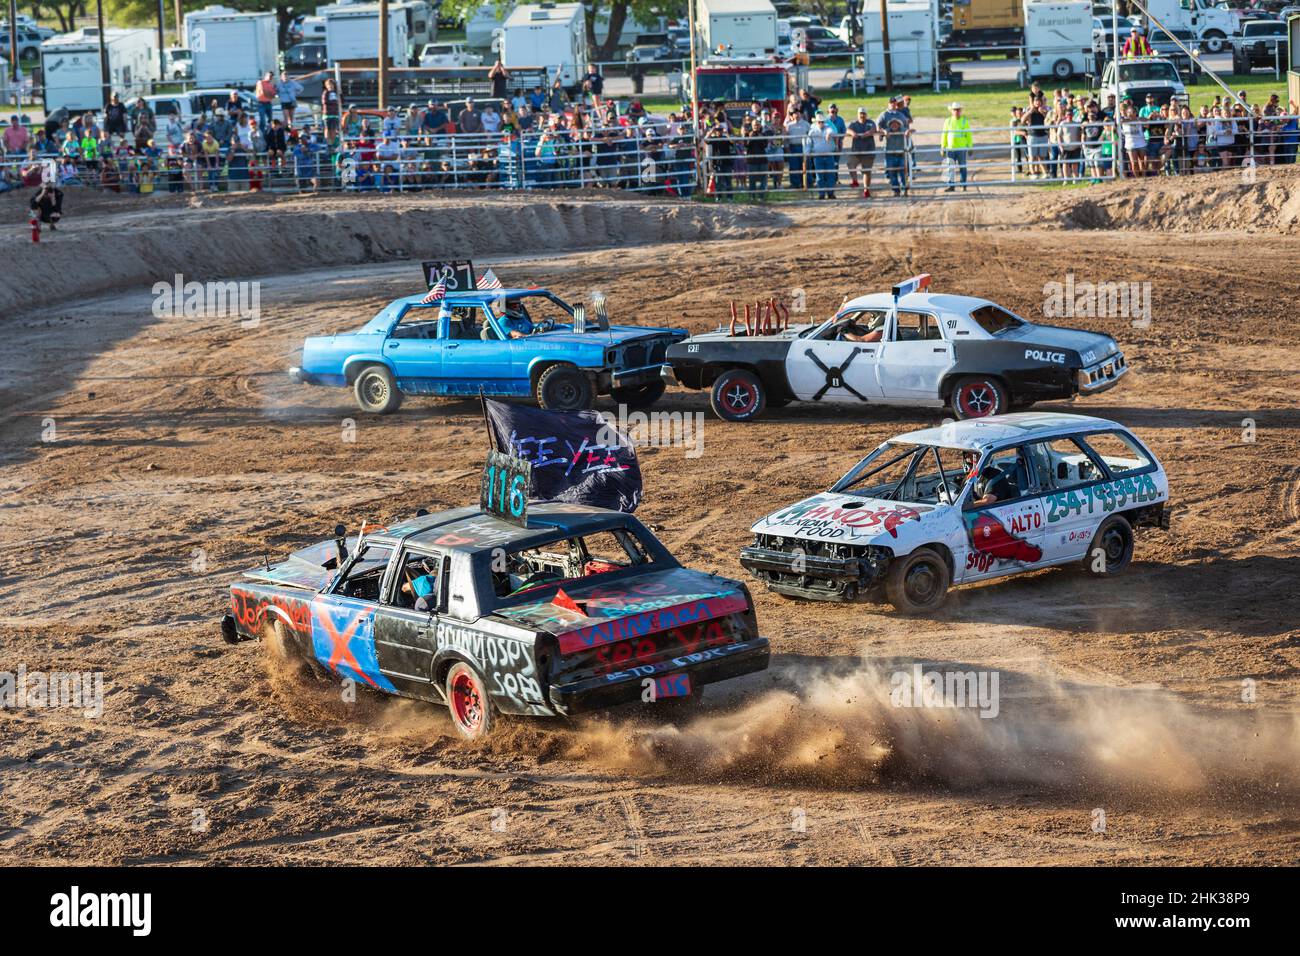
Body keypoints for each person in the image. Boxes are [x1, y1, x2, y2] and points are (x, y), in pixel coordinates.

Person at [845, 106, 877, 198]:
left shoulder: (870, 123)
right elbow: (847, 129)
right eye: (860, 113)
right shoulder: (854, 124)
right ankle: (855, 181)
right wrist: (852, 133)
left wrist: (868, 133)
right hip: (856, 151)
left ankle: (866, 190)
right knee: (850, 164)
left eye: (863, 113)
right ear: (857, 114)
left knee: (866, 172)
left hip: (868, 151)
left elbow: (874, 129)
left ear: (866, 114)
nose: (862, 115)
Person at [940, 101, 972, 191]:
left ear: (960, 110)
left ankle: (963, 185)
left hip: (961, 148)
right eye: (955, 110)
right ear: (952, 111)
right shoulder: (948, 121)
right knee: (950, 167)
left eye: (958, 110)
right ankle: (951, 185)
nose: (956, 112)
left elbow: (968, 135)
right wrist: (942, 146)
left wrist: (970, 147)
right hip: (950, 148)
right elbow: (944, 135)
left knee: (962, 167)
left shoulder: (964, 121)